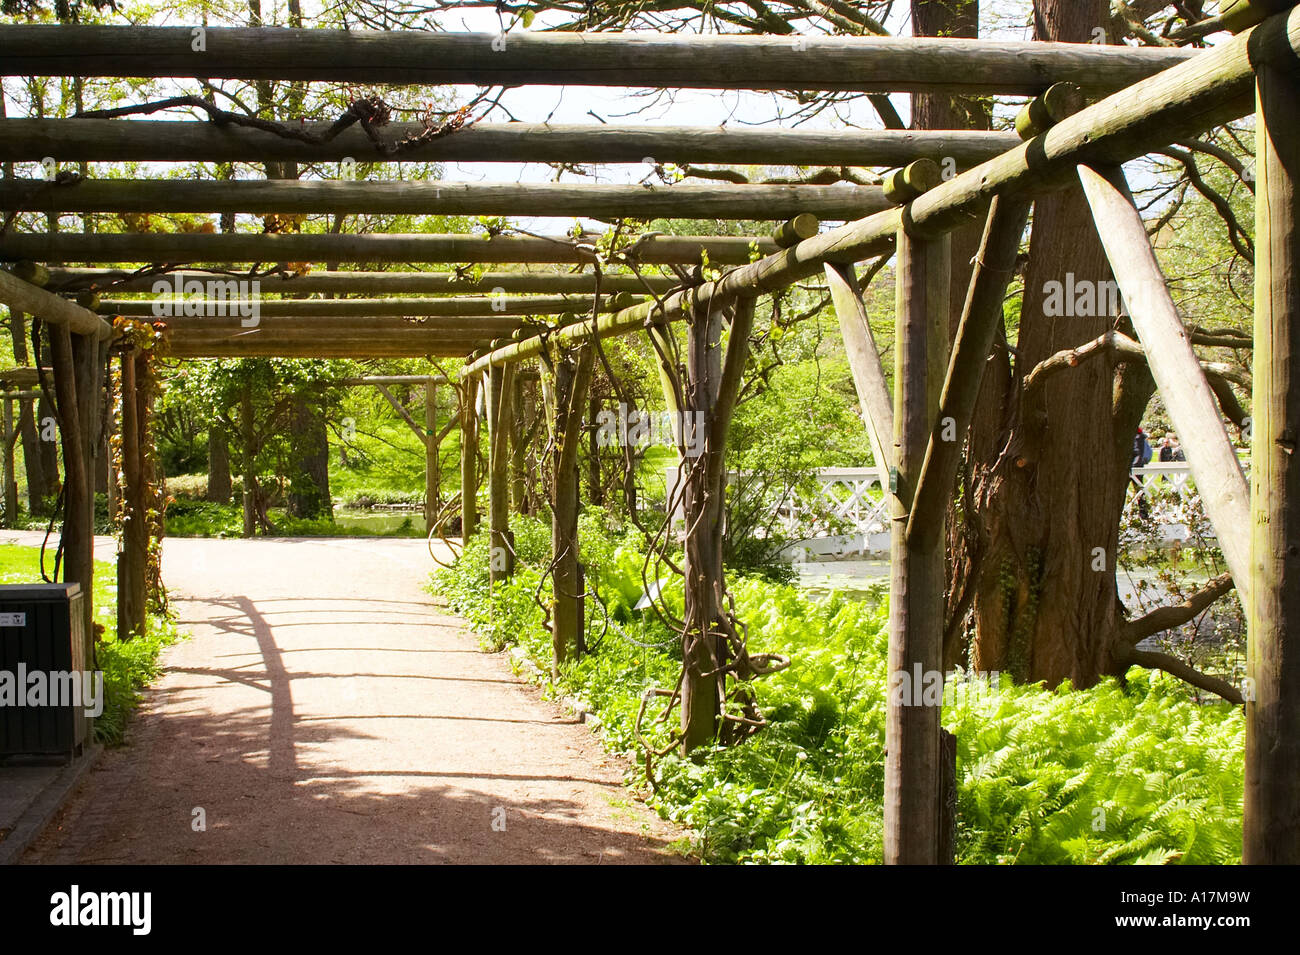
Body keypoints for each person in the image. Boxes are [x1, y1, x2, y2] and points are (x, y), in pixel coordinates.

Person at [1131, 427, 1153, 519]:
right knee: (1139, 489)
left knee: (1138, 489)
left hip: (1134, 467)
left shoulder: (1136, 439)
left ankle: (1141, 511)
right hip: (1139, 466)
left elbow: (1136, 453)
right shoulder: (1142, 439)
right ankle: (1142, 511)